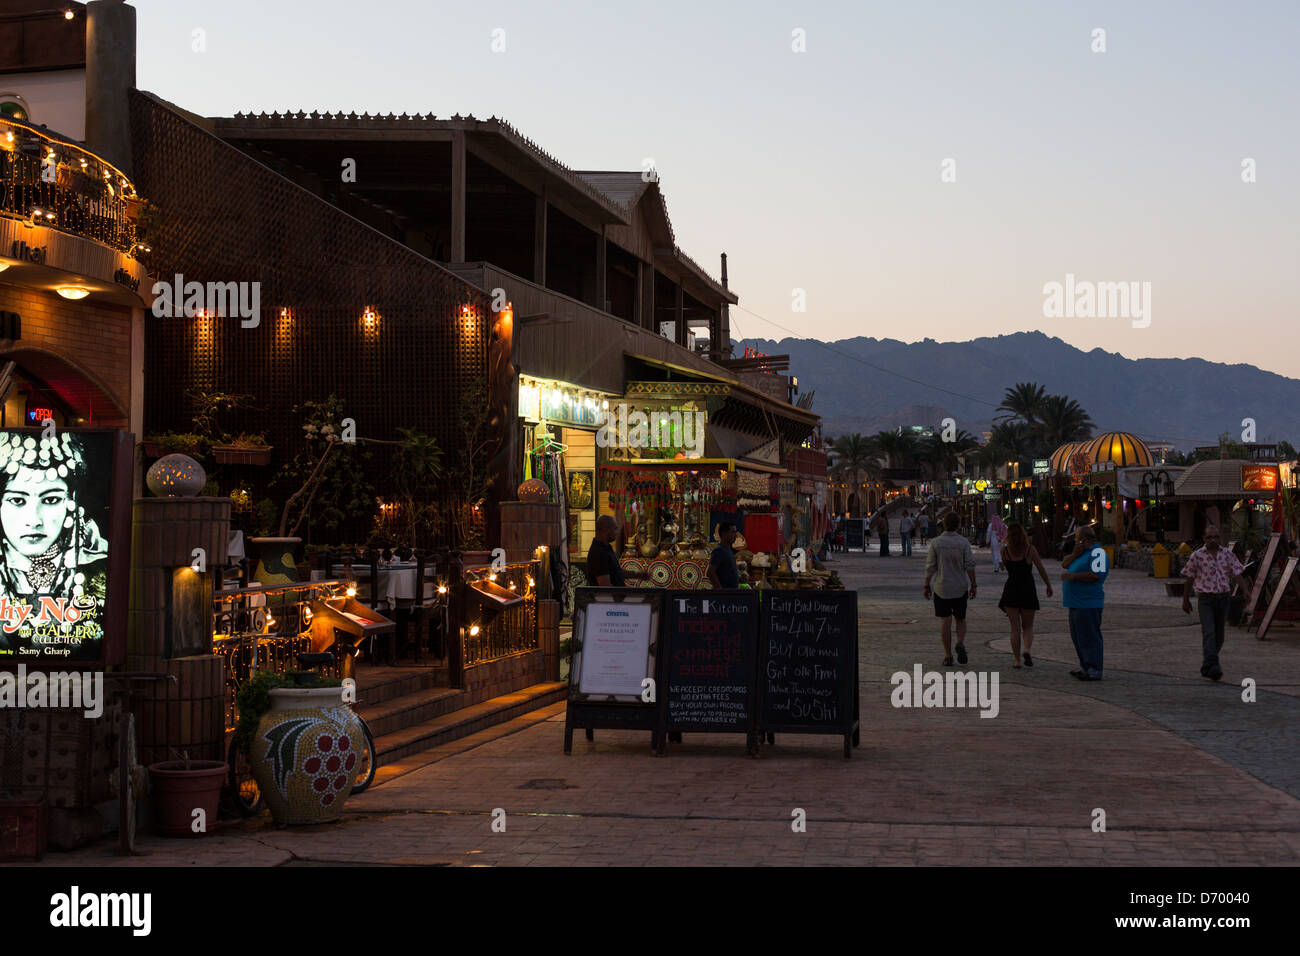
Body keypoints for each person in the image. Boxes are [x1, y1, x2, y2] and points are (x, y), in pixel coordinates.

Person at [0, 432, 108, 658]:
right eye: (17, 500)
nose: (34, 519)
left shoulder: (99, 565)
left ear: (72, 500)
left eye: (50, 500)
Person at [1180, 525, 1247, 681]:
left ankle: (1207, 665)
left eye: (1216, 537)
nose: (1213, 540)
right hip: (1206, 599)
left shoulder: (1227, 554)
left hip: (1223, 598)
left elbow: (1237, 573)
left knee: (1219, 635)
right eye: (1209, 537)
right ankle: (1214, 665)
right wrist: (1185, 600)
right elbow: (1189, 578)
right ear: (1204, 539)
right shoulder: (1197, 556)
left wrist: (1245, 590)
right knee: (1209, 632)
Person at [923, 512, 977, 666]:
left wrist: (927, 585)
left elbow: (930, 567)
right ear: (958, 525)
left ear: (944, 525)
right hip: (960, 586)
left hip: (942, 587)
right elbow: (970, 565)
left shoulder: (936, 542)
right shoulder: (964, 543)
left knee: (945, 620)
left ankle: (948, 655)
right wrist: (973, 584)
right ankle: (960, 641)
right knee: (960, 618)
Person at [997, 523, 1053, 668]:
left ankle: (1016, 660)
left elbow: (1005, 566)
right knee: (1028, 627)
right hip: (1028, 589)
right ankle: (1027, 650)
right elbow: (1040, 568)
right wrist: (1048, 585)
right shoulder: (1030, 550)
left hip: (1011, 590)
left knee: (1014, 628)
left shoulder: (1005, 551)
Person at [1061, 524, 1107, 680]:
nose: (1074, 541)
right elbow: (1065, 564)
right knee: (1078, 637)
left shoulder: (1098, 553)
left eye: (1076, 538)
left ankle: (1094, 668)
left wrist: (1073, 577)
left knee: (1090, 636)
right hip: (1075, 603)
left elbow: (1096, 575)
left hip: (1088, 604)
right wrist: (1074, 554)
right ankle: (1085, 666)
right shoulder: (1081, 553)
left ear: (1083, 539)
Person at [586, 514, 624, 586]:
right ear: (606, 529)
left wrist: (637, 574)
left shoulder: (606, 548)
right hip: (610, 597)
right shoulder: (598, 553)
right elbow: (605, 586)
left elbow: (616, 572)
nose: (617, 532)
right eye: (615, 528)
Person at [708, 522, 739, 589]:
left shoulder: (728, 549)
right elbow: (710, 572)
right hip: (725, 595)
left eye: (735, 532)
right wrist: (720, 591)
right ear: (724, 533)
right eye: (733, 532)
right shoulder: (719, 550)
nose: (735, 535)